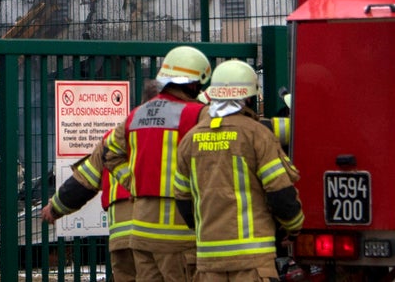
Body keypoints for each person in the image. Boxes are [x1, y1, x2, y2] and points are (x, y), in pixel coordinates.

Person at [174, 59, 304, 282]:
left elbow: (183, 201)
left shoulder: (190, 140)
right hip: (252, 262)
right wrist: (294, 228)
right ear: (248, 97)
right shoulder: (257, 135)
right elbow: (280, 195)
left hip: (208, 263)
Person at [105, 45, 212, 282]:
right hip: (179, 233)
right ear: (195, 84)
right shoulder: (197, 114)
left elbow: (110, 153)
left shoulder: (135, 115)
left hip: (141, 231)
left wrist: (132, 182)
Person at [41, 79, 160, 282]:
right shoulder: (182, 131)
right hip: (162, 231)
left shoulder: (114, 137)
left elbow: (83, 182)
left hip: (123, 233)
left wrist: (55, 208)